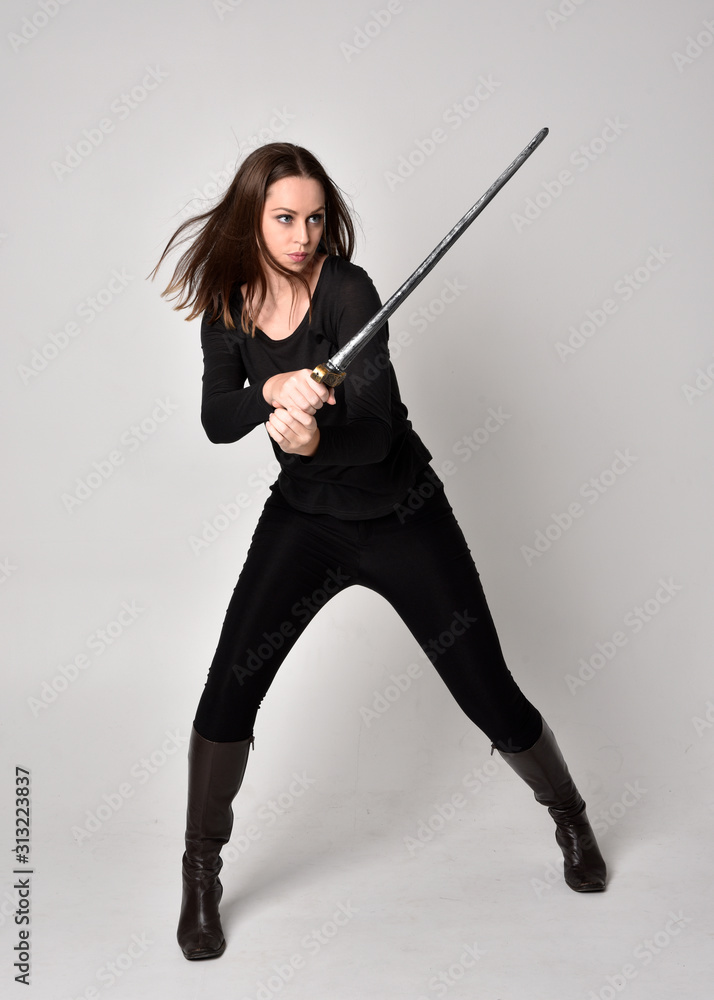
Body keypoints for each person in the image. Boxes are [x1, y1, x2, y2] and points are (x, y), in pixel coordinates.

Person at [149, 142, 606, 961]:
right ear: (251, 217)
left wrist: (316, 431)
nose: (303, 234)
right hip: (305, 522)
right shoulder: (229, 302)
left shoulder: (351, 290)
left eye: (315, 218)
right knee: (227, 690)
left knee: (489, 692)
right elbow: (220, 416)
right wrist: (272, 394)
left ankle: (569, 815)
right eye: (285, 217)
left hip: (403, 515)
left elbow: (379, 432)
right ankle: (198, 873)